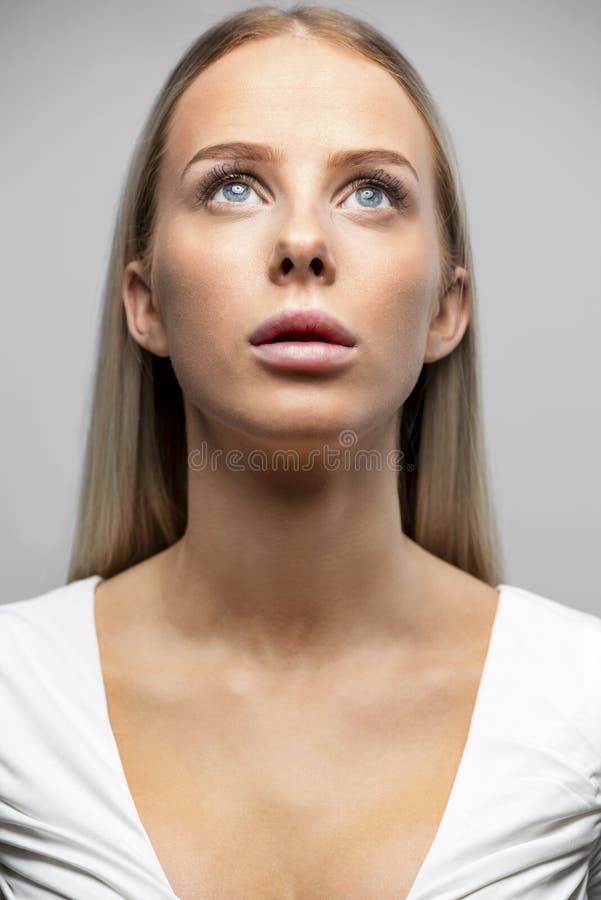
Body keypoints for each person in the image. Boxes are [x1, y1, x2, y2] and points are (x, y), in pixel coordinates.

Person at [1, 4, 600, 898]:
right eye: (233, 185)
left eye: (371, 192)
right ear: (146, 303)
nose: (302, 244)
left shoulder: (584, 703)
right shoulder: (13, 701)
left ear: (444, 309)